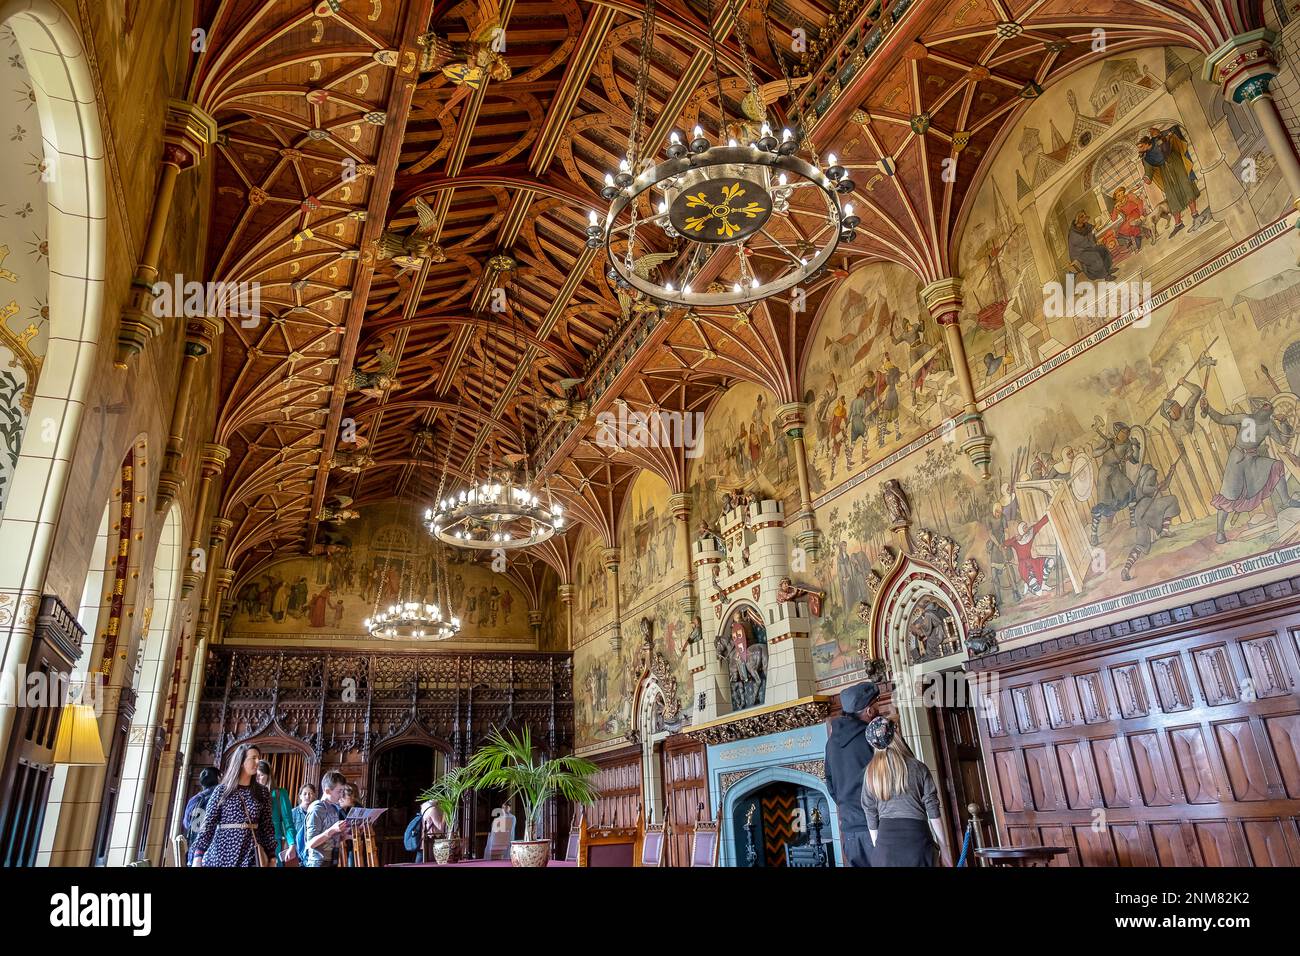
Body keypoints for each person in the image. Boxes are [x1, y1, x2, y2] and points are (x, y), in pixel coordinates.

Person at [860, 717, 948, 867]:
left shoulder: (870, 774)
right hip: (918, 843)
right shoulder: (918, 767)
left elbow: (870, 815)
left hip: (884, 849)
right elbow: (933, 812)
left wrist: (879, 849)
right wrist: (944, 849)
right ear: (896, 734)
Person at [191, 743, 278, 867]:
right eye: (253, 758)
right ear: (241, 761)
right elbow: (208, 824)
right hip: (221, 854)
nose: (258, 761)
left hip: (251, 854)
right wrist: (198, 855)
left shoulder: (262, 792)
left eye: (258, 757)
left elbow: (267, 827)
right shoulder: (222, 791)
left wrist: (272, 857)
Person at [824, 682, 880, 867]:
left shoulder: (831, 743)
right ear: (870, 711)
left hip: (849, 834)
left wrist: (848, 807)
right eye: (877, 703)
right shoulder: (873, 737)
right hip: (877, 828)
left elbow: (830, 785)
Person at [303, 771, 350, 867]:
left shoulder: (333, 808)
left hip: (333, 859)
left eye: (342, 791)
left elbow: (331, 838)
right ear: (327, 791)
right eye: (339, 791)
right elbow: (311, 843)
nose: (341, 795)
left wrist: (345, 835)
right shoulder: (316, 809)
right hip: (318, 862)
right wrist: (333, 829)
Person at [255, 759, 295, 865]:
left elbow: (288, 822)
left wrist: (292, 844)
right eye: (256, 775)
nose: (258, 778)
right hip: (253, 841)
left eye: (261, 775)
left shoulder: (279, 793)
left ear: (268, 775)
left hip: (273, 843)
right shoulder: (249, 794)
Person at [182, 767, 220, 866]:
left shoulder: (193, 800)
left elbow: (186, 824)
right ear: (219, 778)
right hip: (212, 854)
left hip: (193, 853)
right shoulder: (220, 798)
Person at [292, 783, 317, 862]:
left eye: (310, 794)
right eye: (305, 794)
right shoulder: (293, 813)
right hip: (297, 852)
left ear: (314, 796)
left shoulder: (317, 813)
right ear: (300, 796)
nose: (307, 796)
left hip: (312, 851)